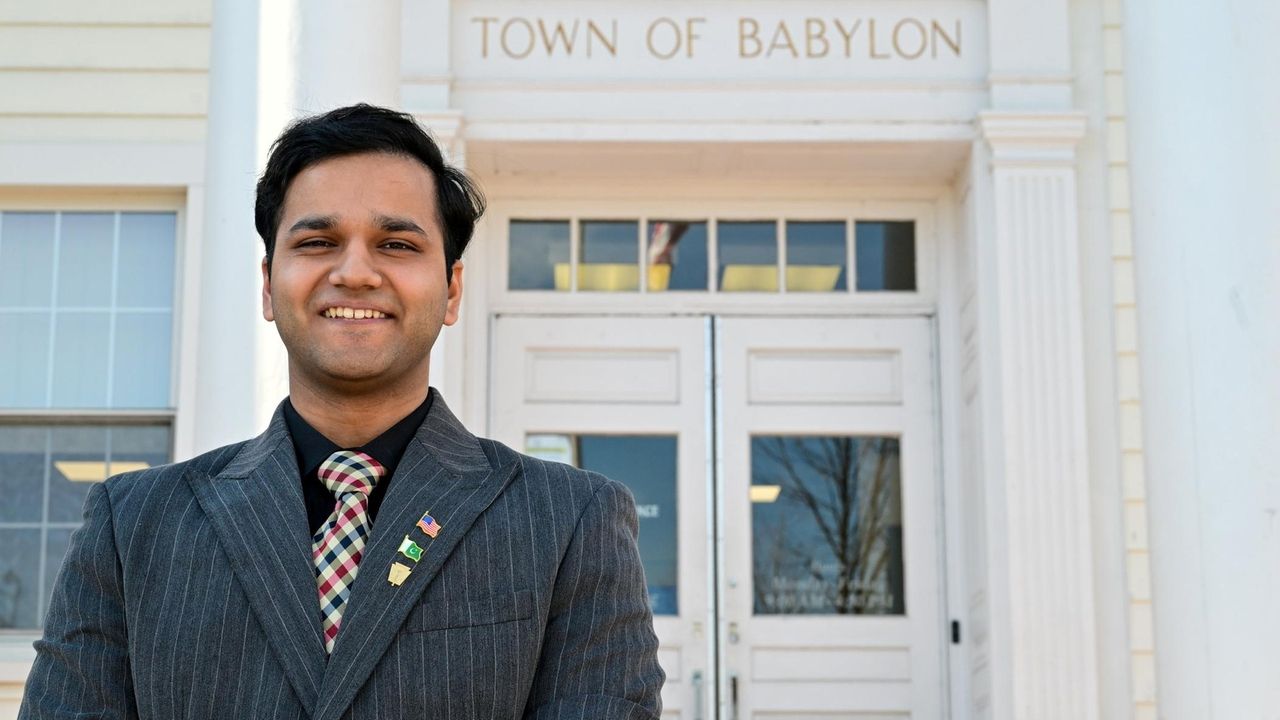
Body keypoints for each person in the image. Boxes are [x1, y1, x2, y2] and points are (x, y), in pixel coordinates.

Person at [19, 104, 664, 720]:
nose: (355, 272)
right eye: (320, 240)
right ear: (269, 285)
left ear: (452, 290)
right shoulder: (132, 527)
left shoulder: (571, 522)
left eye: (397, 245)